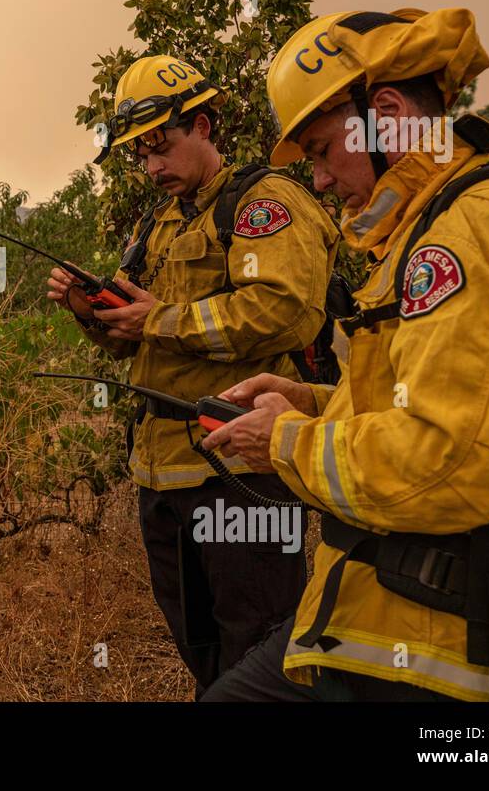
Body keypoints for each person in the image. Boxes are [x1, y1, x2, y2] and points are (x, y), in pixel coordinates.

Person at [200, 8, 489, 701]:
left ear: (384, 114)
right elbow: (426, 403)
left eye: (323, 149)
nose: (319, 180)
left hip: (447, 646)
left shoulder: (478, 229)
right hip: (383, 616)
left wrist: (289, 444)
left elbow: (454, 458)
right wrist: (313, 403)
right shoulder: (434, 220)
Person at [46, 55, 339, 693]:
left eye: (161, 147)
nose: (151, 167)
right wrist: (93, 314)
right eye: (139, 155)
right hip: (164, 474)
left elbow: (285, 312)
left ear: (203, 126)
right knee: (203, 653)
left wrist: (160, 320)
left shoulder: (264, 203)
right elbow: (137, 343)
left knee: (258, 651)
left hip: (241, 469)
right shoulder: (159, 223)